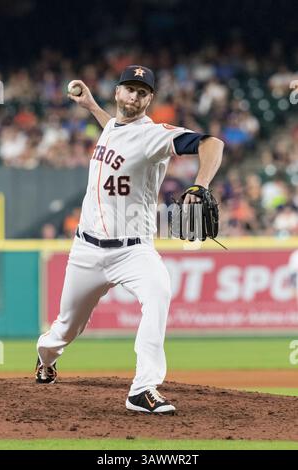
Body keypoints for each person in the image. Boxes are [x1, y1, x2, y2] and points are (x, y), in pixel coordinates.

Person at [35, 65, 224, 414]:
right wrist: (92, 106)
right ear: (118, 92)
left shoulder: (153, 135)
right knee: (62, 331)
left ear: (149, 99)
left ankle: (143, 388)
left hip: (134, 251)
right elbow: (118, 134)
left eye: (142, 92)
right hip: (87, 251)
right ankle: (46, 359)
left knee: (159, 292)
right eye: (129, 89)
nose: (134, 96)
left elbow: (212, 143)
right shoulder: (111, 126)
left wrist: (200, 185)